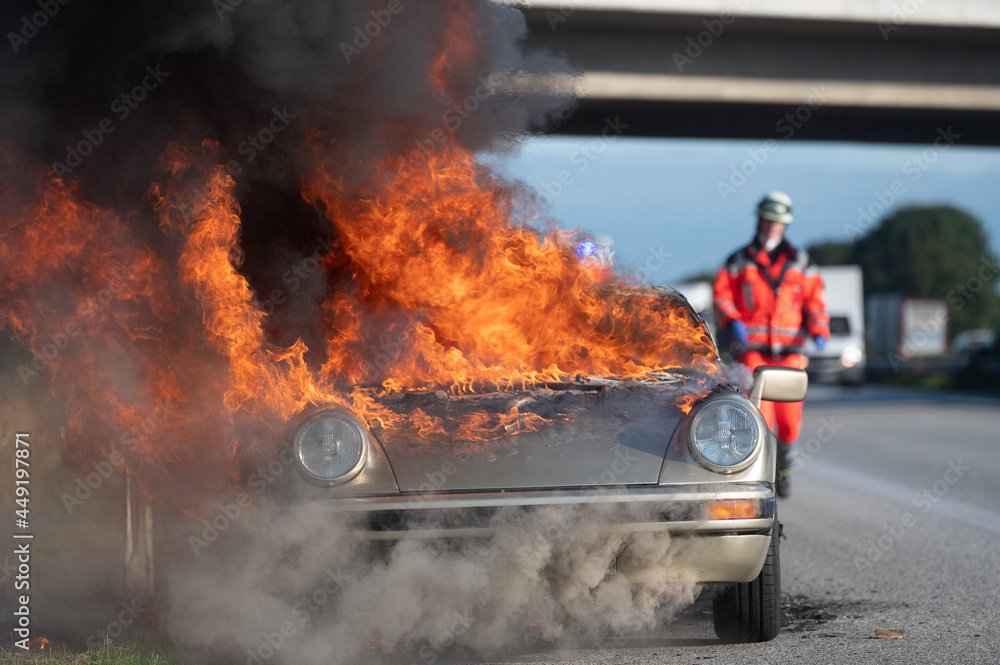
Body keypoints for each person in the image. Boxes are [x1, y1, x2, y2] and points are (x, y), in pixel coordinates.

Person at [713, 191, 830, 498]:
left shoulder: (801, 262)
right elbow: (722, 296)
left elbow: (815, 302)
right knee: (758, 418)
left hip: (791, 353)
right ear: (759, 220)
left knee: (790, 423)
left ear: (785, 225)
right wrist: (732, 319)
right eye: (768, 220)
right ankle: (760, 477)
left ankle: (784, 468)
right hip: (754, 353)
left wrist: (819, 328)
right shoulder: (738, 261)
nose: (773, 227)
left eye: (778, 222)